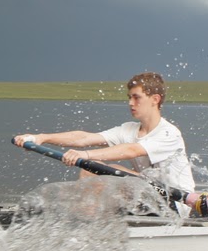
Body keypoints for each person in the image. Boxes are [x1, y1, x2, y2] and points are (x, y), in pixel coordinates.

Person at [13, 71, 195, 209]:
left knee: (96, 167)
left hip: (176, 203)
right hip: (147, 197)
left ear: (155, 99)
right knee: (89, 169)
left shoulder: (169, 133)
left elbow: (132, 150)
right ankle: (85, 215)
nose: (130, 103)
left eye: (136, 97)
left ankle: (85, 220)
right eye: (129, 97)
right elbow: (84, 137)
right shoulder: (128, 129)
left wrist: (84, 155)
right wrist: (41, 138)